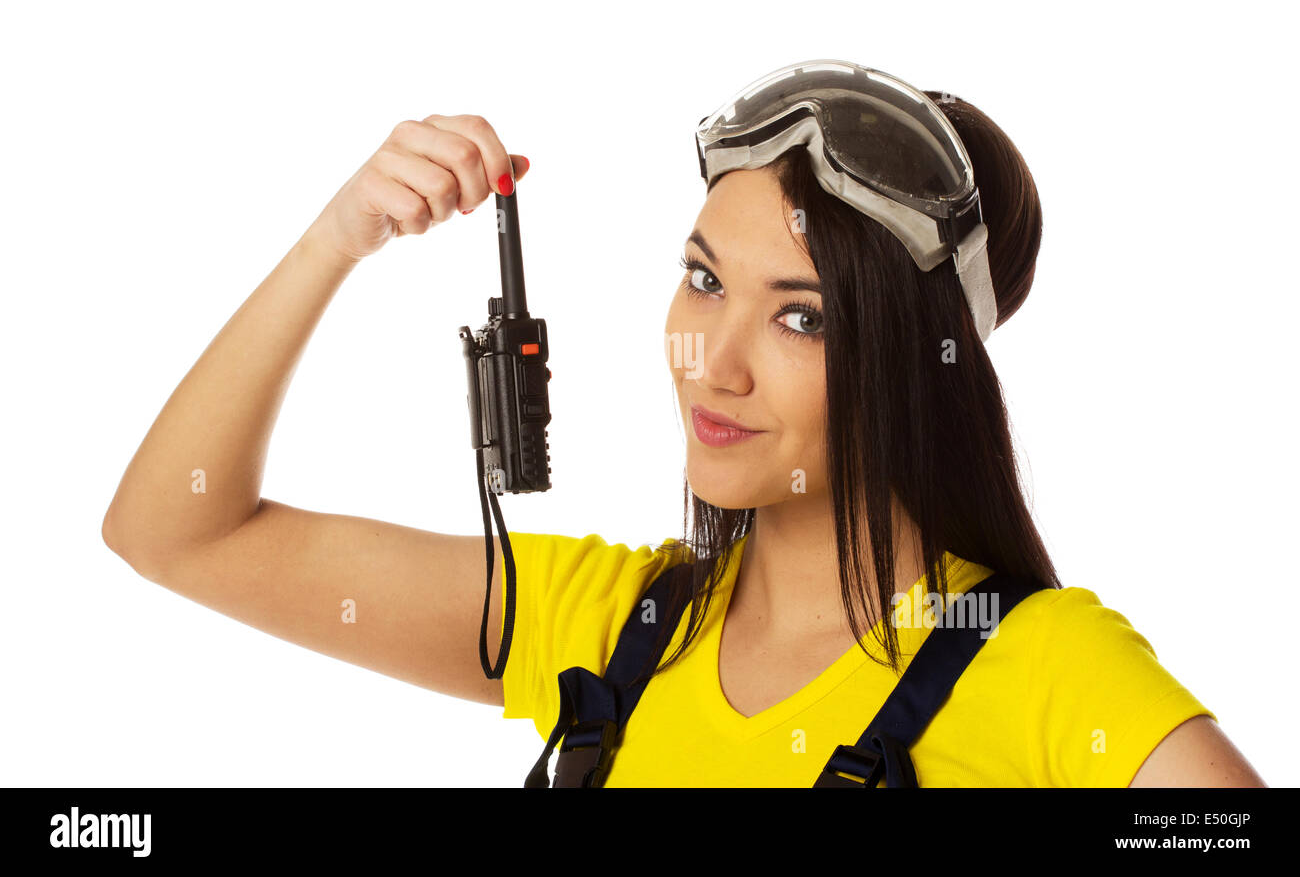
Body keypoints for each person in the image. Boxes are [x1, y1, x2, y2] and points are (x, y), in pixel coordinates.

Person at [102, 81, 1265, 787]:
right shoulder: (608, 628)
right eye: (705, 280)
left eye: (802, 314)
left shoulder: (1037, 662)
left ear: (921, 363)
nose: (713, 357)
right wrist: (337, 236)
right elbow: (174, 530)